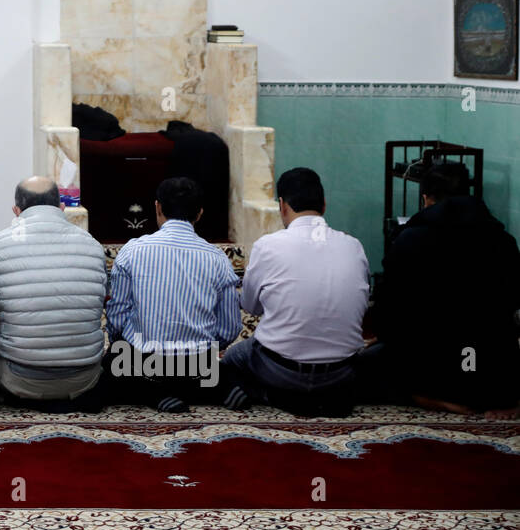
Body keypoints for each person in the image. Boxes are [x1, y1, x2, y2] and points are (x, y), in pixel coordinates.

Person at [372, 162, 519, 419]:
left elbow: (388, 309)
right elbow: (513, 301)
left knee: (359, 368)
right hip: (491, 372)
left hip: (437, 371)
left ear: (426, 198)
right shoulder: (502, 240)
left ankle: (437, 399)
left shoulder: (410, 240)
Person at [222, 167, 370, 417]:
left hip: (279, 370)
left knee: (233, 358)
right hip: (341, 372)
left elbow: (250, 306)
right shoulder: (353, 246)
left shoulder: (268, 245)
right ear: (323, 205)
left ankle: (267, 395)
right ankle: (332, 396)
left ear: (282, 205)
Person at [106, 176, 246, 412]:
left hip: (144, 363)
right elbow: (230, 328)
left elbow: (116, 319)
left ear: (157, 207)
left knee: (112, 364)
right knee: (220, 368)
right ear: (199, 213)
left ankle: (155, 393)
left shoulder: (132, 251)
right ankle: (215, 386)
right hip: (198, 364)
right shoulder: (218, 259)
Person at [0, 176, 108, 411]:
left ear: (16, 211)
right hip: (85, 379)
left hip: (19, 379)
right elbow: (97, 304)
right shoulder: (93, 245)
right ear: (61, 208)